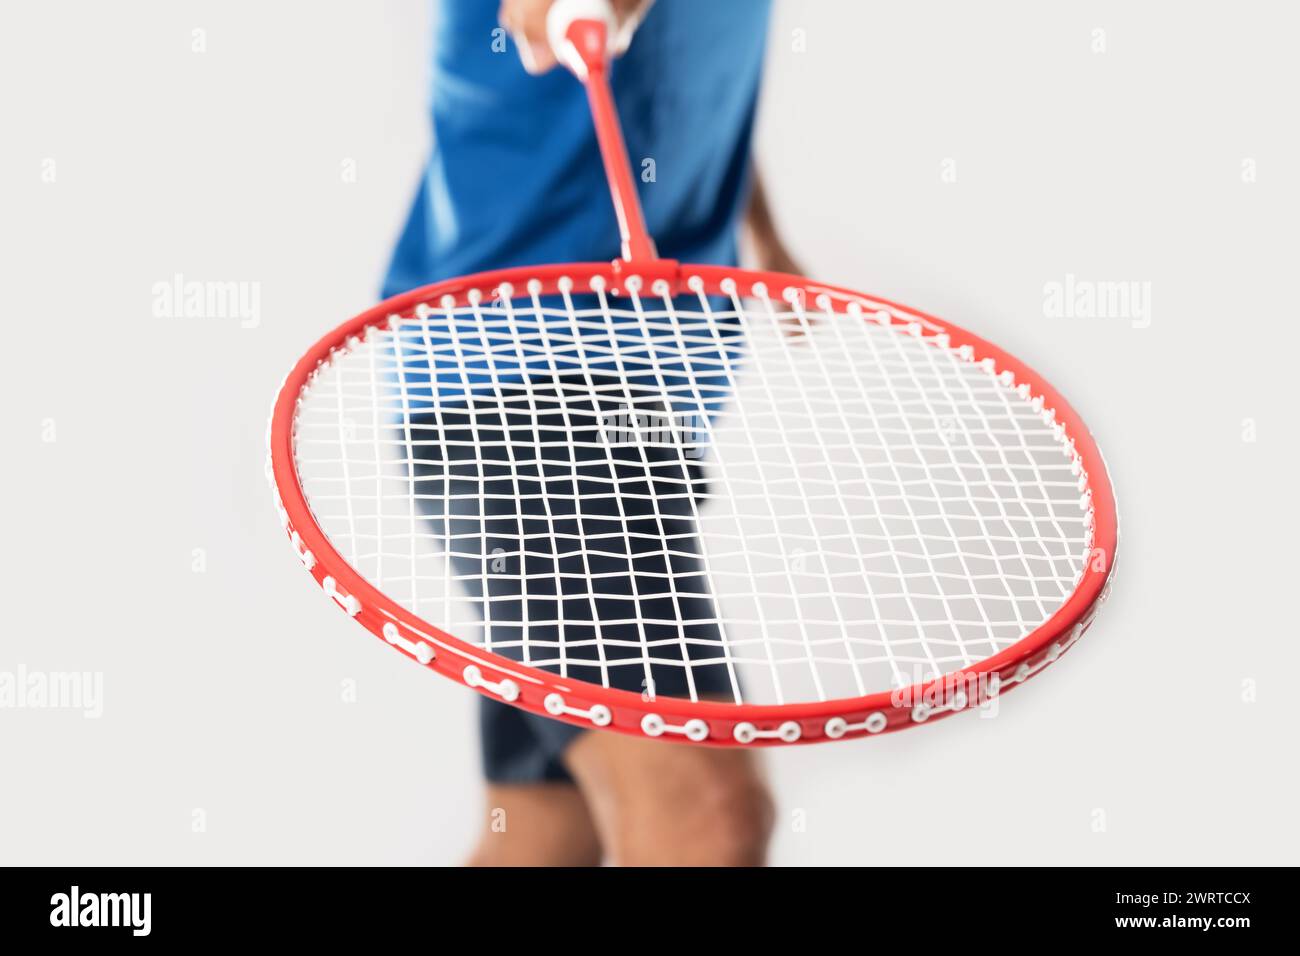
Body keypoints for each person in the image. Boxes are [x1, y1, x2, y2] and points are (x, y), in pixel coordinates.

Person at [384, 0, 803, 866]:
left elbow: (686, 73)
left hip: (641, 406)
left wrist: (762, 231)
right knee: (706, 816)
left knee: (545, 834)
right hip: (528, 386)